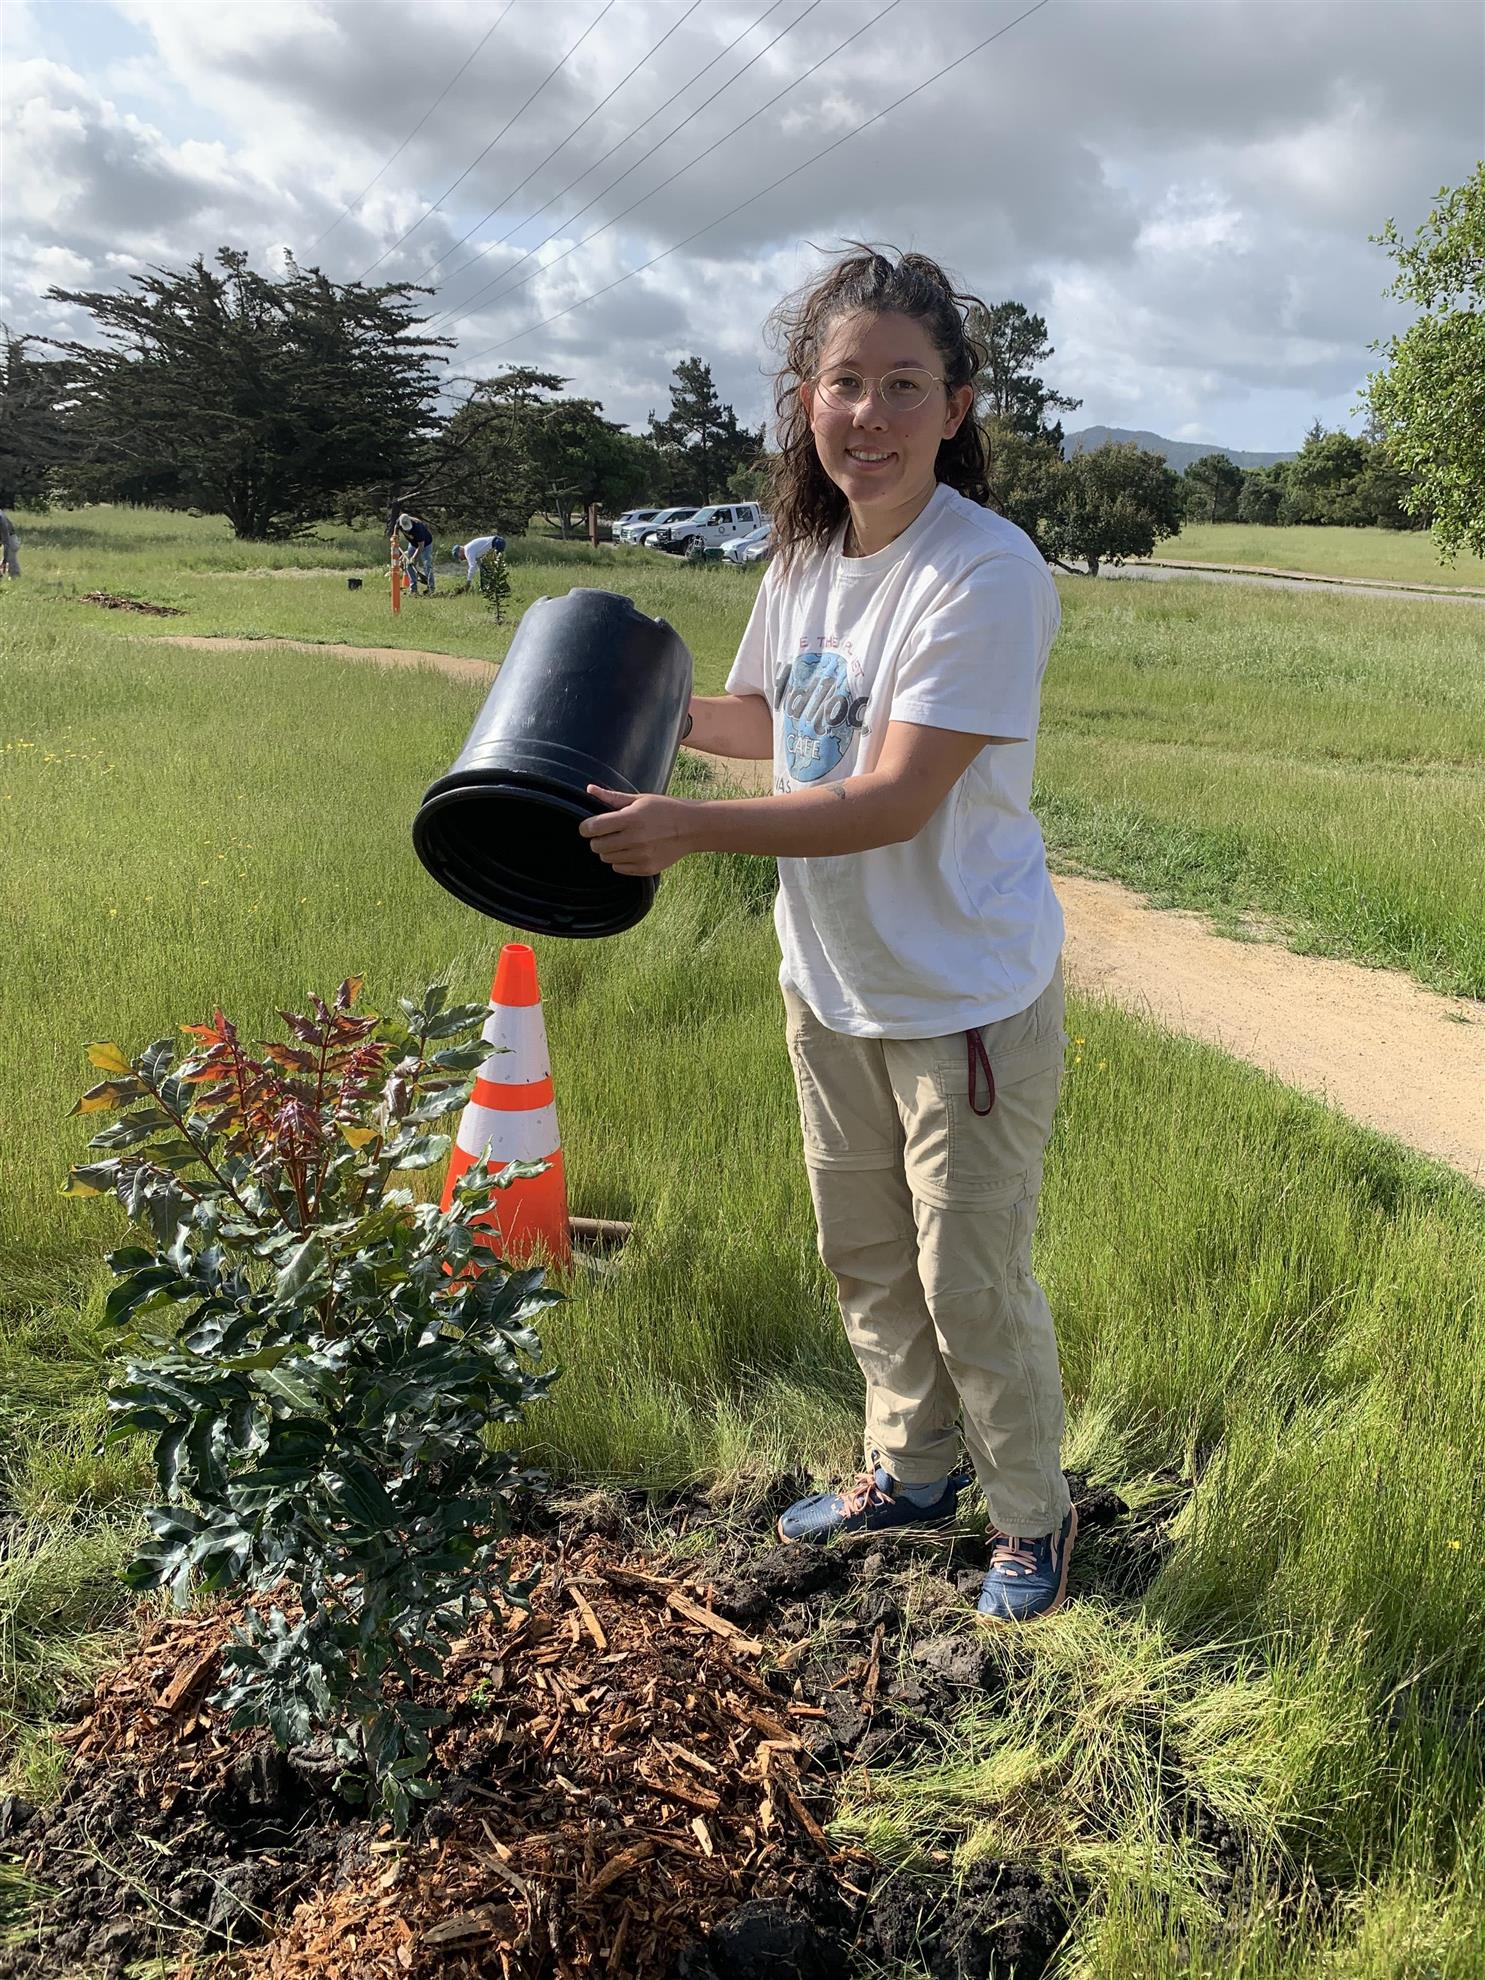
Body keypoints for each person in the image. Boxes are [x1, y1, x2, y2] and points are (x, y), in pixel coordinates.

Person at [579, 247, 1074, 1625]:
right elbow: (773, 722)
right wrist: (634, 707)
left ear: (958, 406)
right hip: (832, 983)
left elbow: (892, 796)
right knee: (863, 1254)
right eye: (845, 382)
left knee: (966, 1275)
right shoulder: (801, 558)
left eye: (903, 385)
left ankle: (1030, 1516)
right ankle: (908, 1473)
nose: (871, 413)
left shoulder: (982, 574)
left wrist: (686, 829)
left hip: (960, 994)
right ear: (806, 401)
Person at [397, 511, 435, 594]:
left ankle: (431, 589)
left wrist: (413, 558)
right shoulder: (399, 523)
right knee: (408, 565)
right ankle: (413, 590)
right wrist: (394, 539)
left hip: (426, 544)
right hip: (413, 544)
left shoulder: (418, 526)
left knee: (427, 564)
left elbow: (421, 546)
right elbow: (395, 533)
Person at [0, 506, 19, 578]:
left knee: (10, 557)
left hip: (10, 537)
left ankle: (15, 578)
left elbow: (6, 542)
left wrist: (5, 559)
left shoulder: (1, 520)